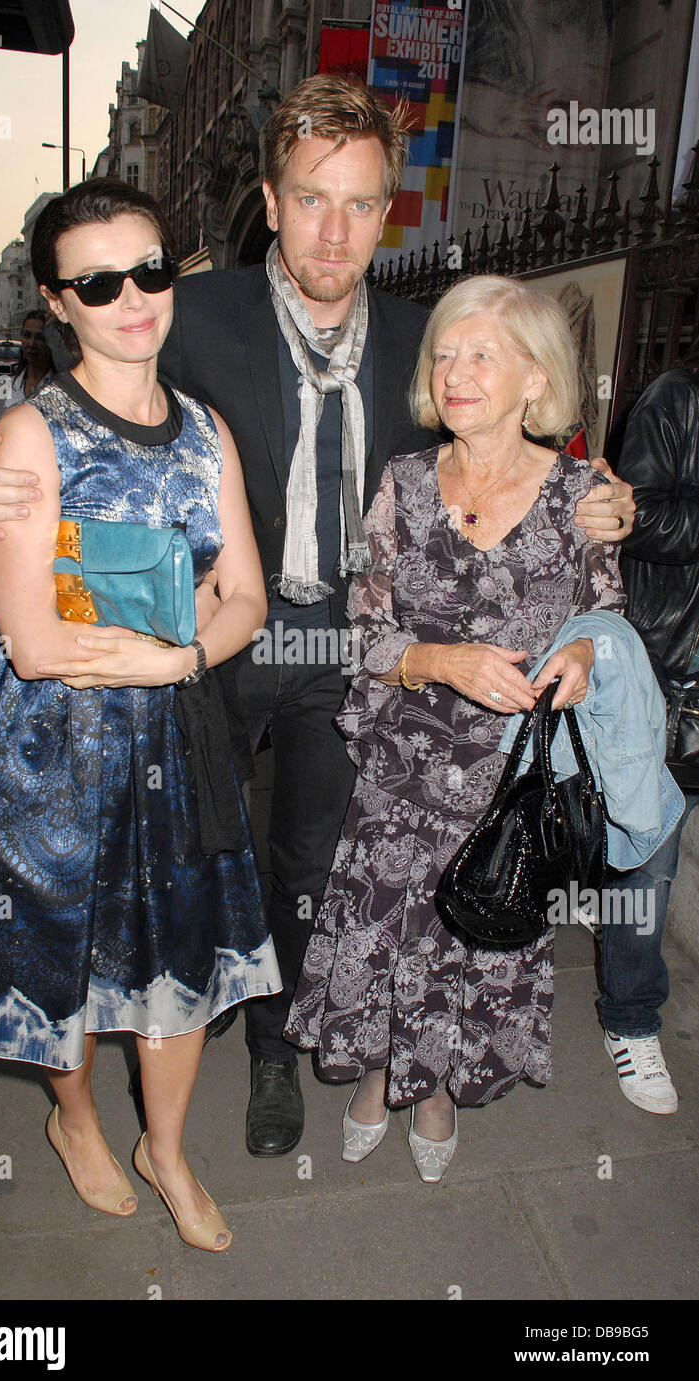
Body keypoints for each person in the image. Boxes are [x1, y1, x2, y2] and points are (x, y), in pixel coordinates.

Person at [0, 75, 637, 1159]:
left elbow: (513, 433)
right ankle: (169, 1016)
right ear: (270, 200)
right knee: (184, 843)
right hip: (218, 629)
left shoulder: (423, 334)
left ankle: (273, 1048)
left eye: (360, 204)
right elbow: (79, 400)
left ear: (386, 213)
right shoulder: (194, 313)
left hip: (357, 648)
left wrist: (600, 492)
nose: (334, 228)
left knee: (309, 860)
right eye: (312, 198)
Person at [0, 179, 281, 1252]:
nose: (133, 297)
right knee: (53, 960)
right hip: (48, 750)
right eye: (99, 280)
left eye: (151, 270)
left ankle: (165, 1149)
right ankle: (74, 1119)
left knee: (178, 957)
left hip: (175, 736)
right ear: (56, 302)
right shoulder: (29, 436)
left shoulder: (206, 431)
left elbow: (248, 596)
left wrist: (176, 662)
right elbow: (32, 643)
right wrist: (167, 654)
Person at [285, 273, 627, 1181]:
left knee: (465, 934)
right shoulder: (400, 484)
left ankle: (429, 1087)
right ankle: (378, 1072)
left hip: (507, 777)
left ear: (535, 381)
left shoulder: (581, 495)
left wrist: (582, 661)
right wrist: (441, 661)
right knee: (386, 925)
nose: (455, 372)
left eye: (483, 354)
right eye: (444, 353)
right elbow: (361, 628)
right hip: (401, 763)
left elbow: (603, 615)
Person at [595, 364, 699, 1115]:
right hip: (674, 672)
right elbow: (635, 519)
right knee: (644, 858)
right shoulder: (677, 398)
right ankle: (629, 1020)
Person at [0, 308, 56, 426]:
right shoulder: (6, 384)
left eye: (40, 338)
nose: (31, 343)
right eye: (27, 335)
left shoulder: (61, 387)